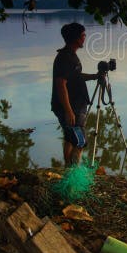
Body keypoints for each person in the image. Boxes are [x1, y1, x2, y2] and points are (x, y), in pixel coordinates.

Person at [51, 23, 99, 166]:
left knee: (70, 139)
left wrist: (95, 76)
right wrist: (68, 110)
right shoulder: (65, 58)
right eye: (83, 35)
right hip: (71, 107)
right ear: (76, 38)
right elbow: (61, 84)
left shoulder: (69, 55)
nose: (85, 38)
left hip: (74, 105)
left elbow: (75, 76)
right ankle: (74, 173)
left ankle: (68, 169)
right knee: (80, 141)